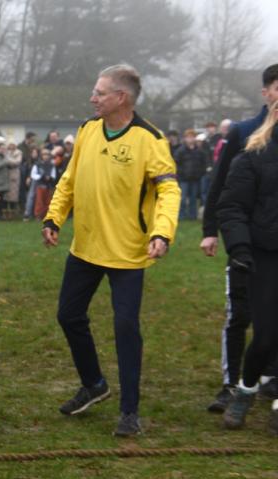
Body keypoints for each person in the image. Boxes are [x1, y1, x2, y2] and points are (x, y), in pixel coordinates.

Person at [42, 64, 179, 438]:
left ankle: (129, 411)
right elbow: (69, 179)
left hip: (128, 253)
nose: (93, 98)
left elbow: (168, 190)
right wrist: (53, 219)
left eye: (100, 92)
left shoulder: (150, 139)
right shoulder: (88, 130)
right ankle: (94, 384)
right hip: (85, 247)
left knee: (125, 328)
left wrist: (162, 233)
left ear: (122, 97)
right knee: (68, 316)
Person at [200, 63, 278, 412]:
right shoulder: (246, 132)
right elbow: (221, 185)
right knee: (242, 313)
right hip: (252, 241)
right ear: (266, 91)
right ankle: (232, 385)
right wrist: (210, 230)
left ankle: (268, 379)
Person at [218, 102, 278, 434]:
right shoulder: (253, 156)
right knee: (266, 335)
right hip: (264, 254)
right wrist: (240, 247)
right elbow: (231, 206)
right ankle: (247, 388)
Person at [175, 129, 210, 221]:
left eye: (192, 137)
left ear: (195, 138)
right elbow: (175, 163)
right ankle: (181, 216)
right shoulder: (180, 150)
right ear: (185, 138)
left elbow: (204, 163)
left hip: (195, 179)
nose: (190, 139)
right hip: (183, 179)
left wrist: (201, 173)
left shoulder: (200, 151)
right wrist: (180, 173)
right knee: (182, 199)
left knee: (193, 199)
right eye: (188, 137)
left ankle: (192, 216)